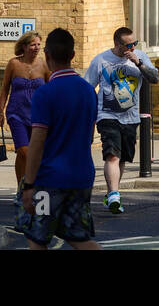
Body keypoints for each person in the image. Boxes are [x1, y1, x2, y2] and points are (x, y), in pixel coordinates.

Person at [15, 28, 101, 250]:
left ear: (47, 54)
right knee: (78, 236)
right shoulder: (88, 91)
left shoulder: (46, 93)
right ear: (73, 55)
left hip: (48, 182)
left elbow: (37, 142)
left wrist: (29, 184)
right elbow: (90, 136)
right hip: (81, 177)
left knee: (37, 237)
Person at [85, 26, 159, 214]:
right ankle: (114, 196)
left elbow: (154, 78)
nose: (132, 48)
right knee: (112, 155)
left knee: (123, 158)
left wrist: (140, 63)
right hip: (107, 115)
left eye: (134, 44)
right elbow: (87, 87)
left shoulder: (140, 56)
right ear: (117, 44)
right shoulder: (101, 60)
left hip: (131, 117)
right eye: (128, 45)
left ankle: (111, 193)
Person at [0, 30, 50, 187]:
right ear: (24, 46)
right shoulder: (14, 64)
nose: (36, 47)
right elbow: (5, 88)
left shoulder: (44, 65)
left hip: (38, 115)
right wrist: (0, 111)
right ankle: (24, 186)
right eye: (33, 44)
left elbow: (51, 89)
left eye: (39, 44)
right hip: (16, 114)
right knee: (23, 151)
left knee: (30, 154)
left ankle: (26, 185)